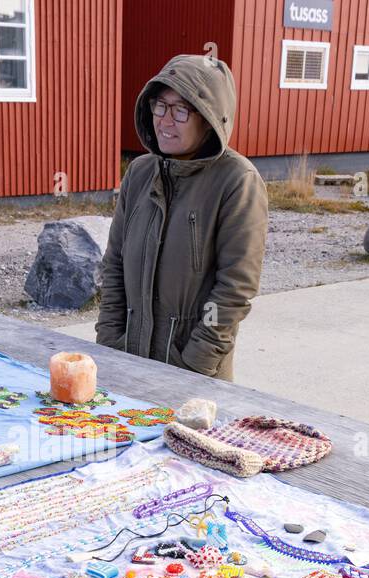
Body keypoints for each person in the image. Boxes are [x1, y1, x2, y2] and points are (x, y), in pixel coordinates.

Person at [95, 54, 268, 382]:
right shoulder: (140, 173)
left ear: (209, 118)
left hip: (193, 376)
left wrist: (196, 363)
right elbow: (115, 265)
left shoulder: (236, 181)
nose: (165, 120)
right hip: (125, 365)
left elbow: (234, 289)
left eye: (181, 110)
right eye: (160, 105)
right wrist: (109, 343)